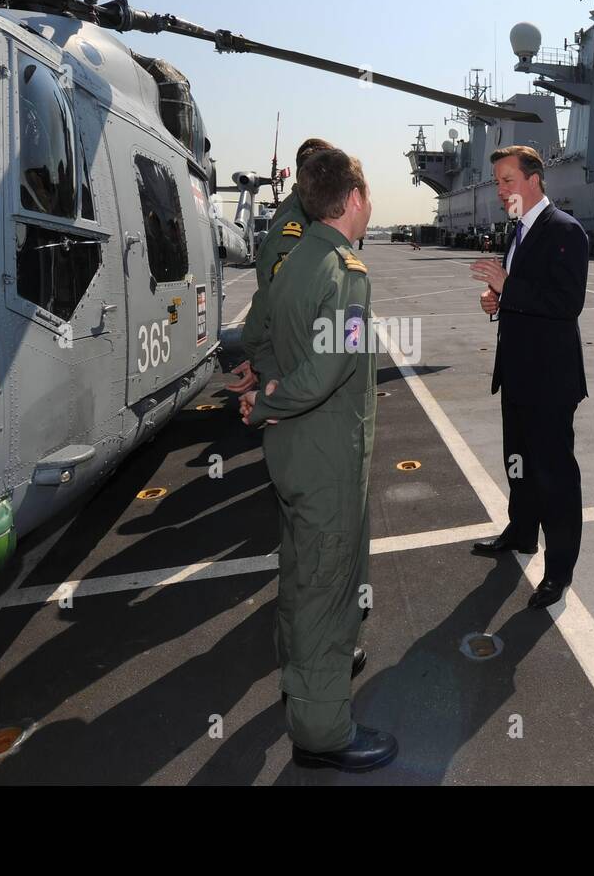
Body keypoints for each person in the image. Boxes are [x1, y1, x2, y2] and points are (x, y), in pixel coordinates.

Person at [240, 148, 396, 772]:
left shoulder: (290, 258)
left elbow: (258, 337)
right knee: (328, 588)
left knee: (304, 573)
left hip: (294, 456)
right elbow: (330, 369)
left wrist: (269, 391)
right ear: (355, 197)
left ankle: (302, 673)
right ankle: (322, 730)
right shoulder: (346, 272)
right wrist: (267, 400)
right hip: (330, 455)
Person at [469, 145, 589, 610]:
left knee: (555, 475)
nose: (500, 191)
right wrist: (495, 299)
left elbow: (567, 303)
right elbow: (526, 296)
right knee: (517, 461)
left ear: (534, 180)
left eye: (506, 180)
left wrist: (507, 286)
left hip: (550, 380)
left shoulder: (565, 231)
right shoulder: (519, 231)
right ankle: (520, 533)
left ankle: (559, 570)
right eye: (497, 182)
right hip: (518, 373)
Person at [228, 137, 335, 397]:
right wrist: (260, 359)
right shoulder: (294, 230)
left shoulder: (312, 216)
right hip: (295, 360)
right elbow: (275, 299)